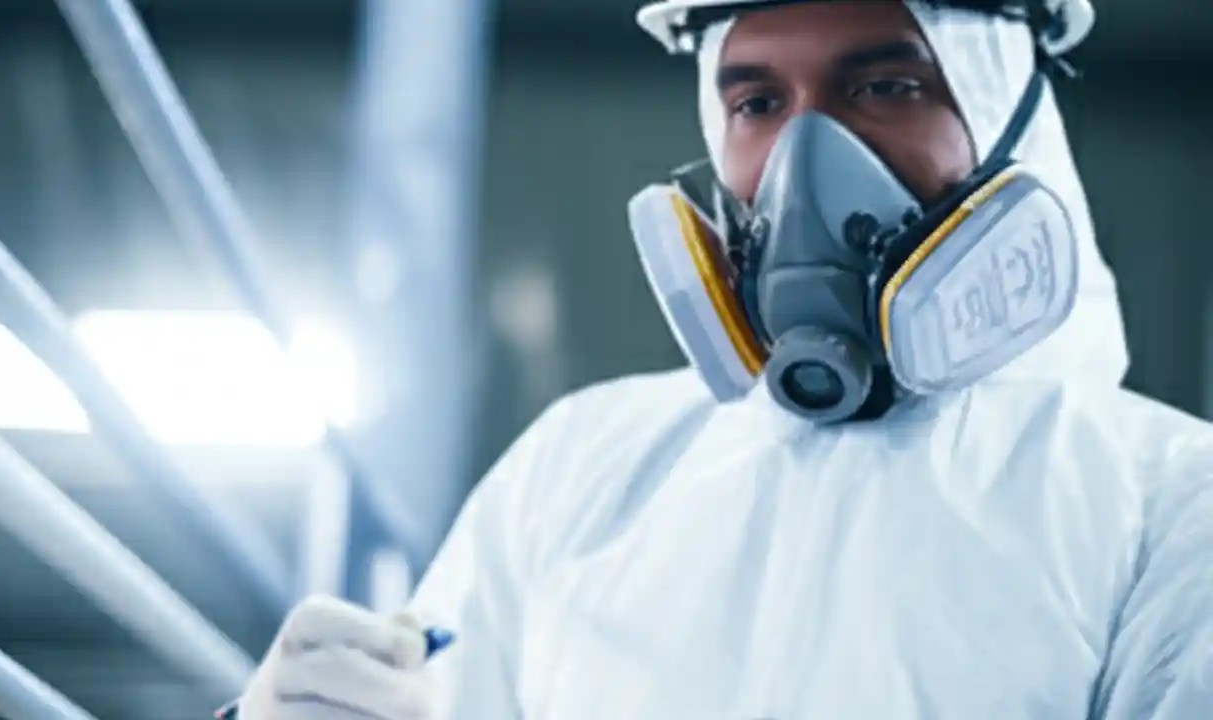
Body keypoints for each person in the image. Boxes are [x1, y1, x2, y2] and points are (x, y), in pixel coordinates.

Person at [237, 1, 1213, 718]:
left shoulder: (1166, 508)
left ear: (1012, 125)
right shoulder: (582, 466)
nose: (804, 157)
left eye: (883, 87)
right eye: (755, 101)